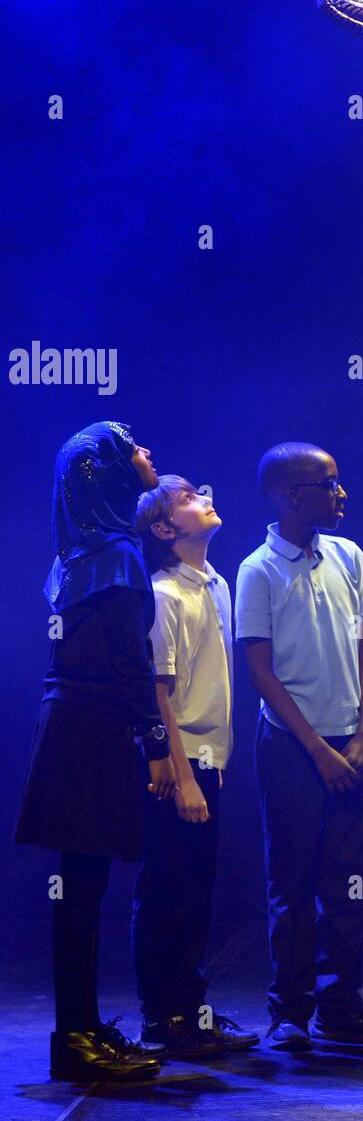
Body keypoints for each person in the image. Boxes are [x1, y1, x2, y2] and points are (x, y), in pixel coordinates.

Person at [15, 421, 170, 1082]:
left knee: (82, 888)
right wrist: (158, 744)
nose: (146, 451)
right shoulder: (113, 554)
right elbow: (132, 664)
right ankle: (75, 1038)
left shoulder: (76, 554)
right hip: (93, 727)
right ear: (98, 470)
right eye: (130, 444)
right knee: (81, 890)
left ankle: (80, 1027)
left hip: (76, 726)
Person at [235, 441, 363, 1052]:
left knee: (349, 879)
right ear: (292, 497)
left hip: (350, 743)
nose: (341, 494)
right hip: (290, 748)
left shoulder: (350, 556)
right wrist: (317, 749)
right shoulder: (259, 570)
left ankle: (341, 1003)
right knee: (292, 881)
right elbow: (260, 672)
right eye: (329, 484)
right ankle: (290, 1011)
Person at [132, 475, 259, 1059]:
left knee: (196, 891)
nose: (206, 497)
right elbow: (159, 694)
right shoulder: (163, 594)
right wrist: (183, 777)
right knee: (167, 892)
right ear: (164, 529)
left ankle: (191, 1008)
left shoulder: (216, 583)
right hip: (176, 766)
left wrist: (214, 765)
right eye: (187, 499)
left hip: (209, 761)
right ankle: (164, 1018)